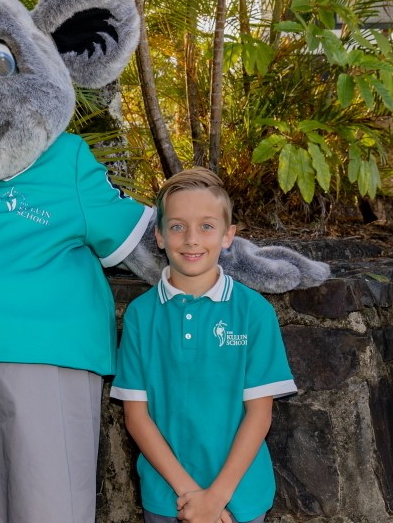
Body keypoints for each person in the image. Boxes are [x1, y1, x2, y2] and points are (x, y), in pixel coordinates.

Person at [111, 168, 297, 523]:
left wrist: (216, 499)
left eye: (207, 226)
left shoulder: (254, 312)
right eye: (178, 226)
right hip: (168, 499)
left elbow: (260, 414)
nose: (191, 239)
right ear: (160, 236)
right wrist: (192, 496)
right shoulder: (140, 316)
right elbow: (136, 417)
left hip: (240, 498)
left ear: (228, 236)